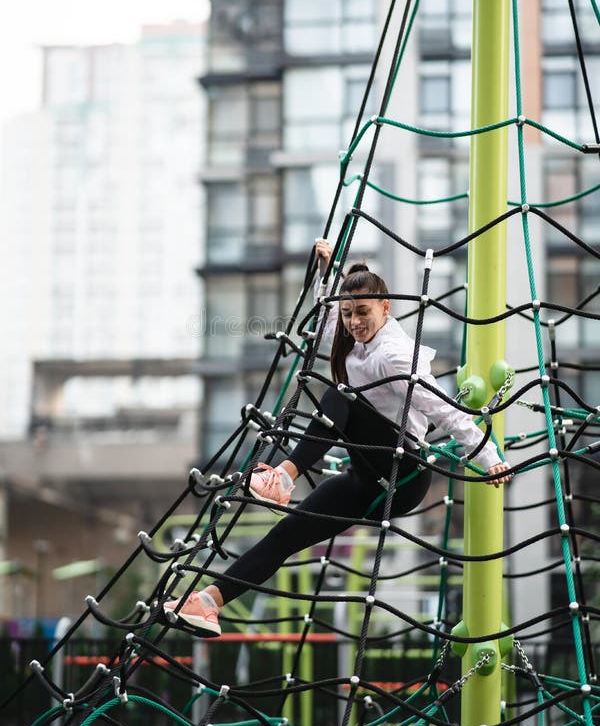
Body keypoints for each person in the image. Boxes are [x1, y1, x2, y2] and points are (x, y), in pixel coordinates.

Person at [164, 240, 510, 636]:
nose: (353, 322)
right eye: (349, 313)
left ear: (386, 308)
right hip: (365, 477)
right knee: (287, 534)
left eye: (363, 312)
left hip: (405, 473)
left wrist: (489, 457)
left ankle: (284, 476)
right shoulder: (354, 341)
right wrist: (331, 269)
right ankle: (209, 602)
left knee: (339, 396)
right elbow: (329, 314)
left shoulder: (394, 355)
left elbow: (442, 409)